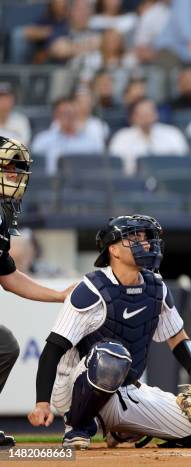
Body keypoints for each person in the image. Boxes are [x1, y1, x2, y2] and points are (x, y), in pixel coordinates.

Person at [27, 215, 191, 449]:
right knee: (111, 356)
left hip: (126, 390)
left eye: (146, 238)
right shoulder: (91, 288)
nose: (145, 243)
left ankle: (121, 429)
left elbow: (178, 338)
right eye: (135, 237)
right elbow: (53, 349)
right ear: (114, 250)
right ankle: (79, 425)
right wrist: (42, 402)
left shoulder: (156, 287)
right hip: (75, 388)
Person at [0, 137, 74, 447]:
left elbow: (8, 276)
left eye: (18, 169)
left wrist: (59, 295)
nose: (14, 175)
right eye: (7, 167)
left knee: (5, 346)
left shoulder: (2, 216)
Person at [109, 97, 189, 175]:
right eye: (142, 113)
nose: (147, 116)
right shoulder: (122, 137)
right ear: (132, 117)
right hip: (134, 182)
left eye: (150, 112)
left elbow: (182, 163)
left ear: (156, 114)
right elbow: (116, 167)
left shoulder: (172, 134)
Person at [31, 97, 106, 175]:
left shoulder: (93, 141)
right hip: (53, 184)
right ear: (55, 116)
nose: (70, 117)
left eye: (73, 113)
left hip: (85, 184)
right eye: (65, 113)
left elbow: (100, 171)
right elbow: (35, 171)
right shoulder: (42, 140)